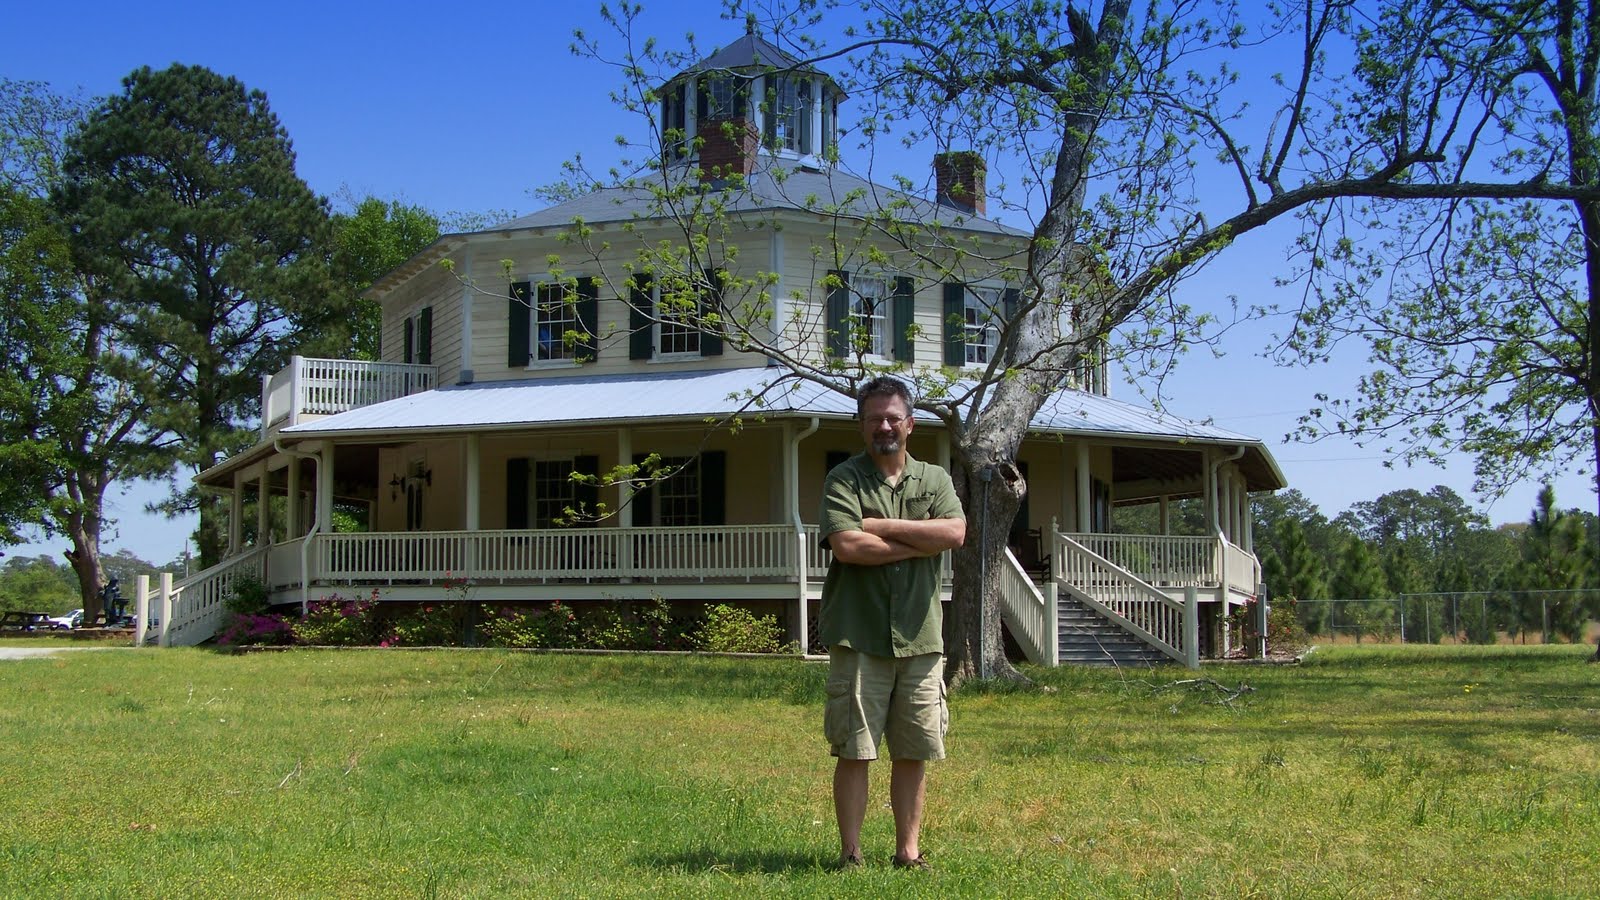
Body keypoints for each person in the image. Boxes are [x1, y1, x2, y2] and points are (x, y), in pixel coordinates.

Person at [817, 375, 966, 870]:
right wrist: (920, 540)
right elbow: (847, 546)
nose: (884, 426)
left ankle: (908, 852)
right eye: (874, 418)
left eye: (892, 417)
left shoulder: (936, 480)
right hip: (858, 634)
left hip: (921, 637)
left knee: (913, 749)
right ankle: (851, 854)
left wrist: (878, 525)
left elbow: (955, 532)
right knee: (855, 750)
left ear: (910, 424)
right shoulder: (843, 479)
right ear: (861, 426)